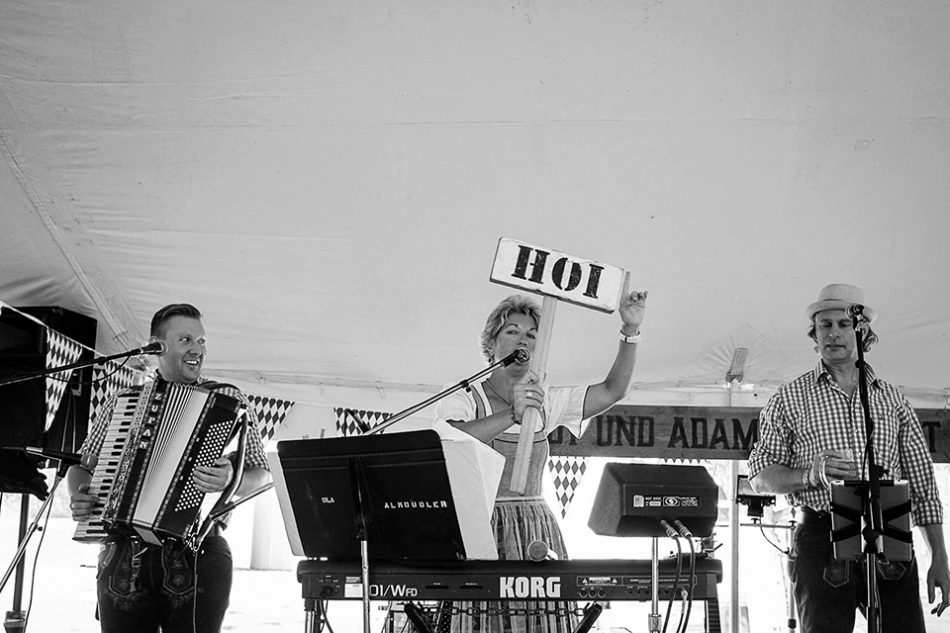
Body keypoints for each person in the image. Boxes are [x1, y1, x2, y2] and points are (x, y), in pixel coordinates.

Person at [433, 284, 647, 633]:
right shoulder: (466, 398)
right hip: (480, 532)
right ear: (491, 344)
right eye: (512, 331)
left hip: (535, 528)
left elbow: (613, 390)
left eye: (533, 335)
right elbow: (451, 441)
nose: (523, 340)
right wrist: (512, 415)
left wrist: (630, 332)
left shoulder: (545, 399)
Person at [748, 283, 950, 632]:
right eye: (825, 325)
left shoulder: (891, 398)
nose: (834, 333)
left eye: (843, 324)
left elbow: (922, 484)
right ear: (814, 334)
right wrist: (810, 474)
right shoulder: (788, 398)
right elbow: (759, 475)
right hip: (820, 532)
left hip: (890, 531)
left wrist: (940, 558)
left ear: (862, 333)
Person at [66, 303, 271, 633]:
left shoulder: (228, 399)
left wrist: (230, 479)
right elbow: (82, 466)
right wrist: (80, 493)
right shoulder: (124, 401)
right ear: (157, 346)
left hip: (199, 551)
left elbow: (262, 476)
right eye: (186, 340)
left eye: (202, 341)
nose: (197, 350)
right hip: (124, 553)